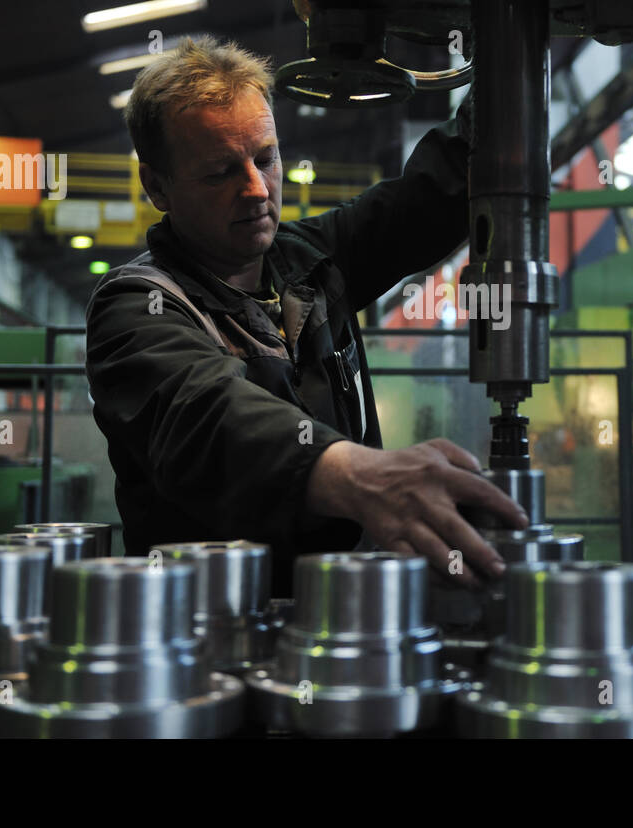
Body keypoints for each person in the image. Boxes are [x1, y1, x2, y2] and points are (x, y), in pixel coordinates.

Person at [84, 36, 526, 597]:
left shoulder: (311, 262)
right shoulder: (137, 308)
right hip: (201, 630)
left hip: (335, 613)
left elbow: (431, 196)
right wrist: (360, 474)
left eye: (265, 159)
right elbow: (208, 418)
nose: (255, 190)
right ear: (157, 186)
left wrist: (514, 63)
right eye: (220, 172)